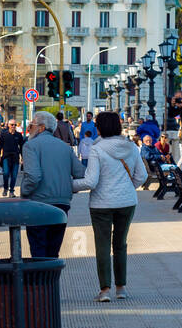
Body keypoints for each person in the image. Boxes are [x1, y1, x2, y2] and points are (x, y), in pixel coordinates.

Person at [71, 111, 143, 303]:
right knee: (120, 244)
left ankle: (104, 290)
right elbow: (141, 176)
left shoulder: (97, 149)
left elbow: (91, 181)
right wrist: (127, 188)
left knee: (102, 246)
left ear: (100, 128)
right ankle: (121, 288)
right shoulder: (131, 147)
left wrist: (69, 186)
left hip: (101, 204)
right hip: (127, 202)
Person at [20, 111, 84, 259]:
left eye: (31, 126)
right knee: (53, 251)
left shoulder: (30, 146)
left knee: (38, 249)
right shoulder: (65, 148)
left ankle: (39, 281)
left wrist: (24, 192)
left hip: (38, 204)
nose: (29, 129)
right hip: (62, 204)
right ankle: (51, 280)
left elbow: (34, 177)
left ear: (41, 128)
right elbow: (80, 172)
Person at [0, 120, 25, 196]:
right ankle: (5, 189)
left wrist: (22, 157)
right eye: (12, 125)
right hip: (6, 157)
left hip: (15, 157)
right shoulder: (4, 134)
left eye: (15, 125)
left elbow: (22, 147)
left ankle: (11, 191)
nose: (13, 126)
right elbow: (0, 145)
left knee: (14, 175)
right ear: (8, 125)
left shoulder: (18, 135)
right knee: (5, 173)